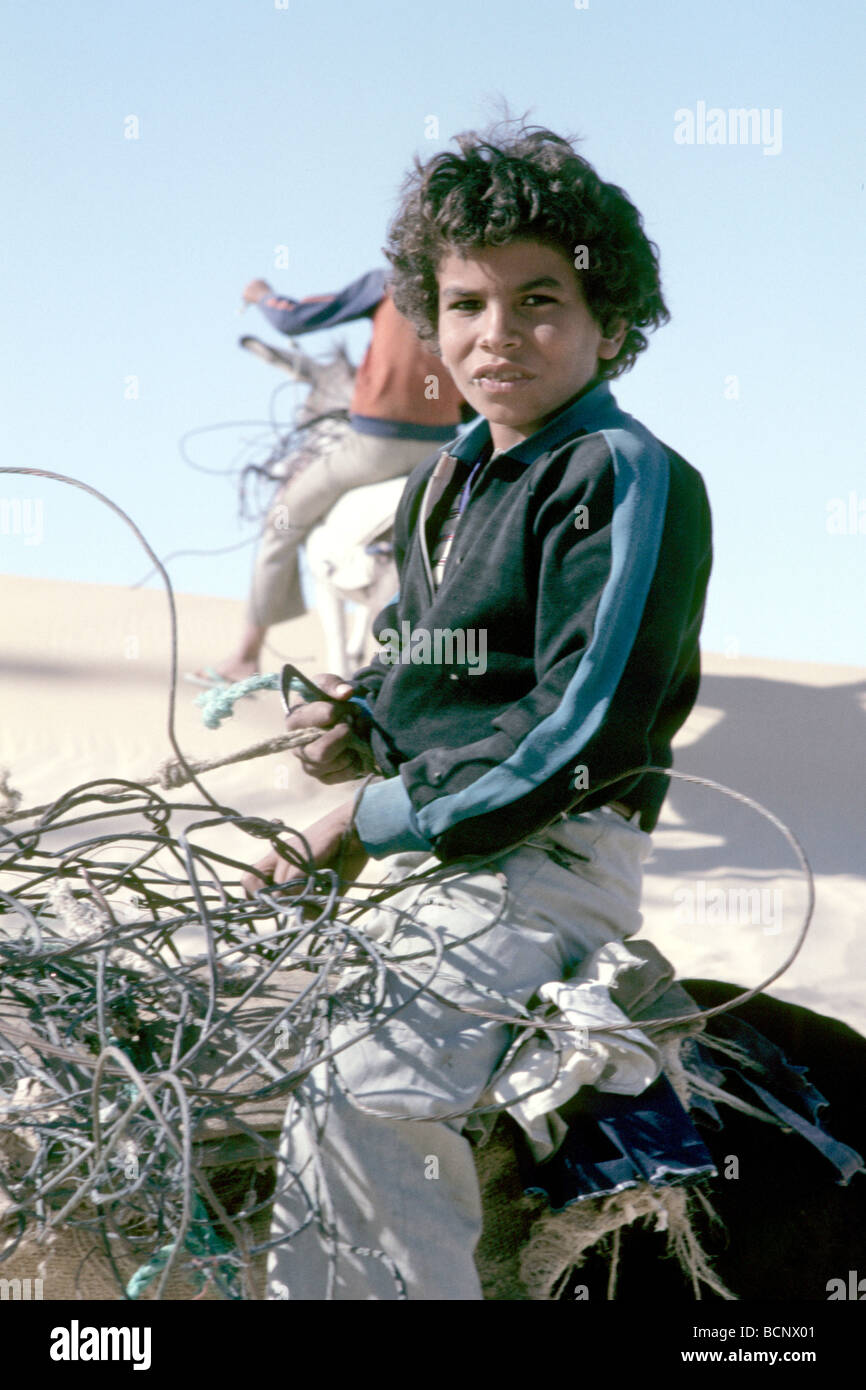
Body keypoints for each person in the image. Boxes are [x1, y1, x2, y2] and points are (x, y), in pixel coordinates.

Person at [244, 121, 713, 1299]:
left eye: (537, 300)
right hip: (431, 849)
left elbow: (576, 732)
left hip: (547, 856)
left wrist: (364, 816)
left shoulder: (619, 471)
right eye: (462, 304)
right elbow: (424, 668)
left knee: (364, 1082)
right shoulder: (445, 477)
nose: (494, 335)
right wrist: (358, 721)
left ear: (611, 323)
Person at [214, 268, 466, 681]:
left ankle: (245, 655)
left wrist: (262, 294)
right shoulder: (467, 288)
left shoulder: (390, 282)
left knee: (281, 521)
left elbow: (291, 318)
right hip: (442, 451)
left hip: (374, 447)